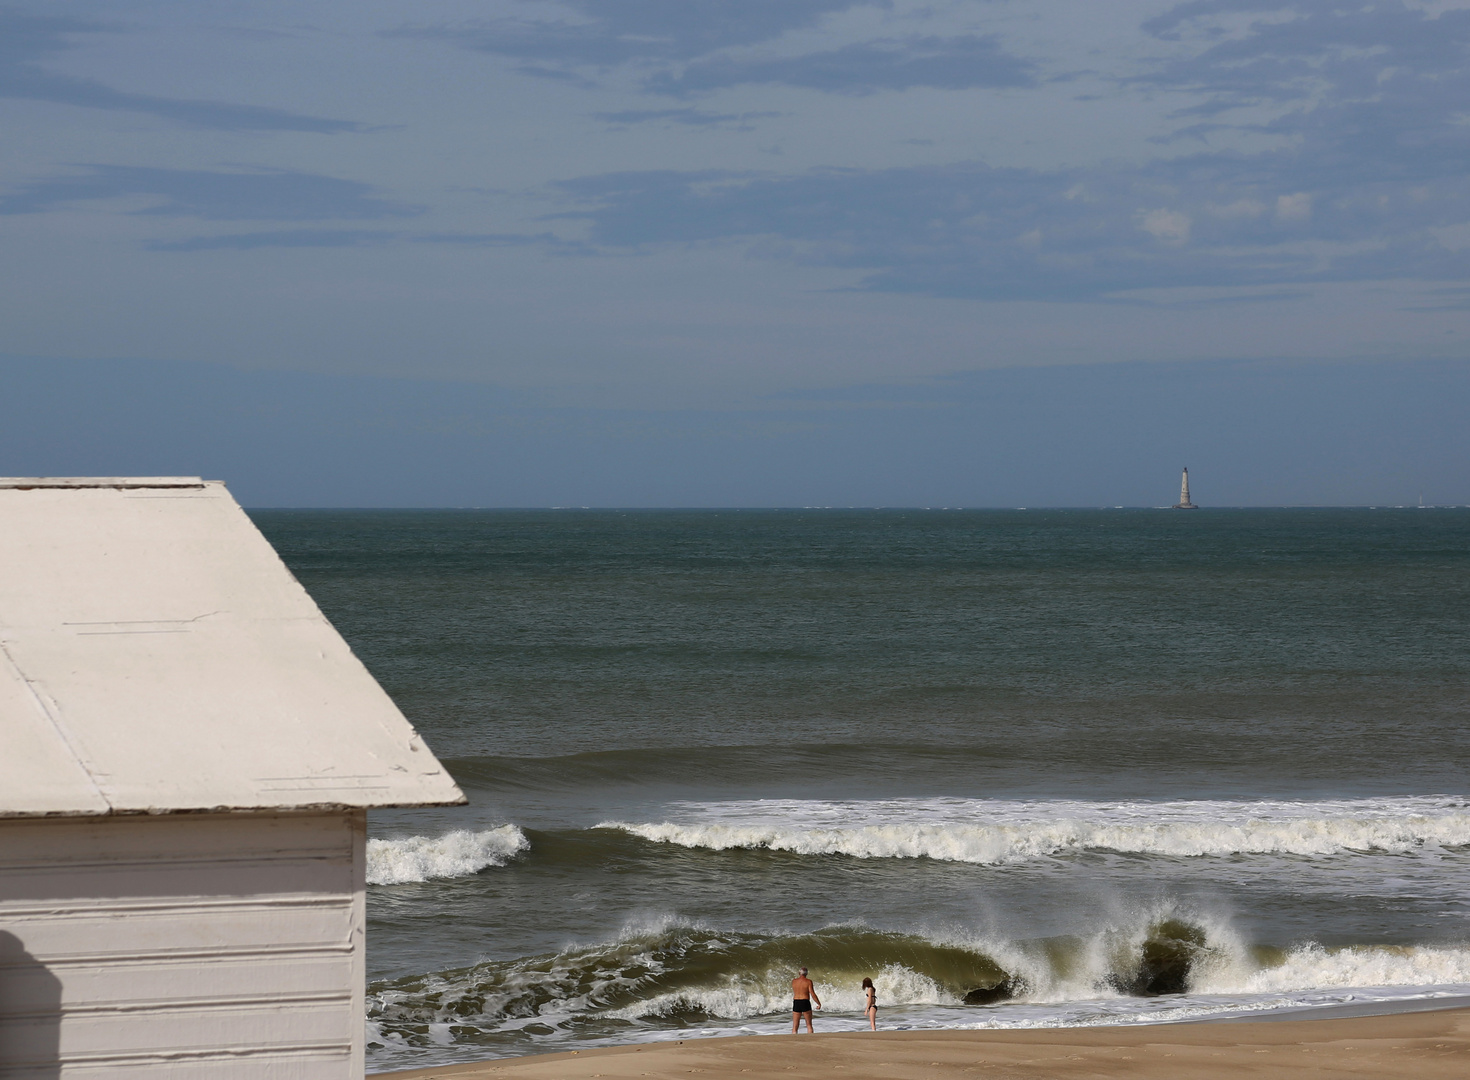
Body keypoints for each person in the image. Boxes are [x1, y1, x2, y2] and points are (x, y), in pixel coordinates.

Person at [791, 966, 821, 1033]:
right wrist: (818, 1003)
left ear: (799, 973)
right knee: (809, 1024)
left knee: (795, 1026)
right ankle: (810, 1039)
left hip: (796, 1002)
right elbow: (812, 994)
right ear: (806, 974)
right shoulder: (808, 981)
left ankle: (793, 1040)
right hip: (805, 1002)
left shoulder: (794, 981)